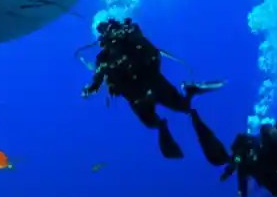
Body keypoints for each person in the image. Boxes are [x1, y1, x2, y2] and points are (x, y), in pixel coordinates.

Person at [81, 17, 230, 164]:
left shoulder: (126, 39)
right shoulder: (105, 56)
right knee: (168, 113)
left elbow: (99, 78)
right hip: (144, 90)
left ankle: (179, 107)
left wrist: (91, 89)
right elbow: (99, 77)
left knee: (169, 113)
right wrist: (91, 88)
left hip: (146, 88)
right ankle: (187, 96)